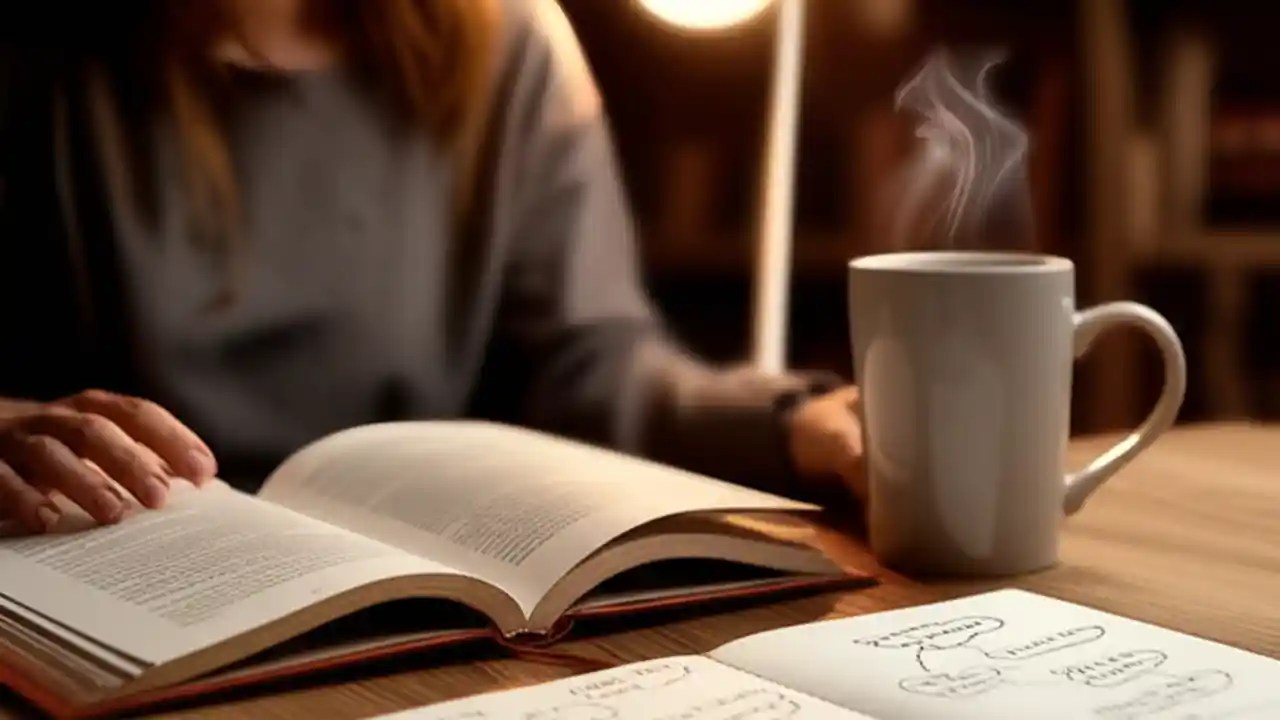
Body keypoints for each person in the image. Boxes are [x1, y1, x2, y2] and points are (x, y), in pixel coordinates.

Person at [0, 0, 864, 534]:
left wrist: (796, 425)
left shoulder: (503, 39)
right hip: (111, 571)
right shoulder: (48, 53)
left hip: (417, 584)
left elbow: (590, 363)